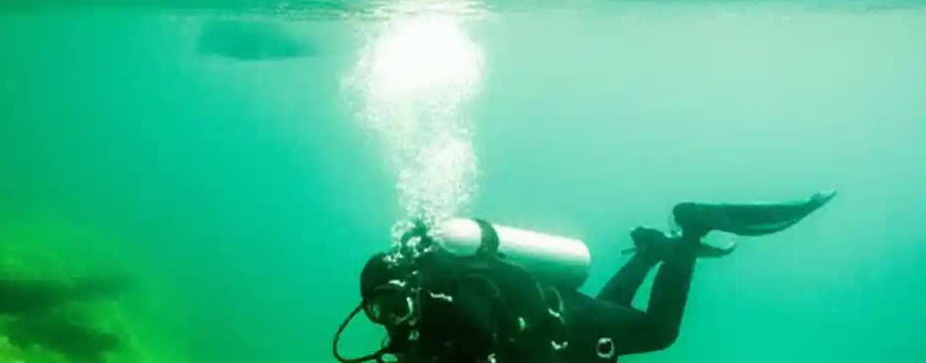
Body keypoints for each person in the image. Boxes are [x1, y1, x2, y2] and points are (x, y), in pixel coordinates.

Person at [334, 191, 835, 363]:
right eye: (380, 312)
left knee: (658, 333)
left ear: (407, 285)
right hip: (566, 326)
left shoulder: (459, 298)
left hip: (567, 328)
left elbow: (487, 331)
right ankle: (649, 252)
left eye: (391, 303)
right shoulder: (422, 326)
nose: (392, 320)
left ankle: (691, 228)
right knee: (606, 322)